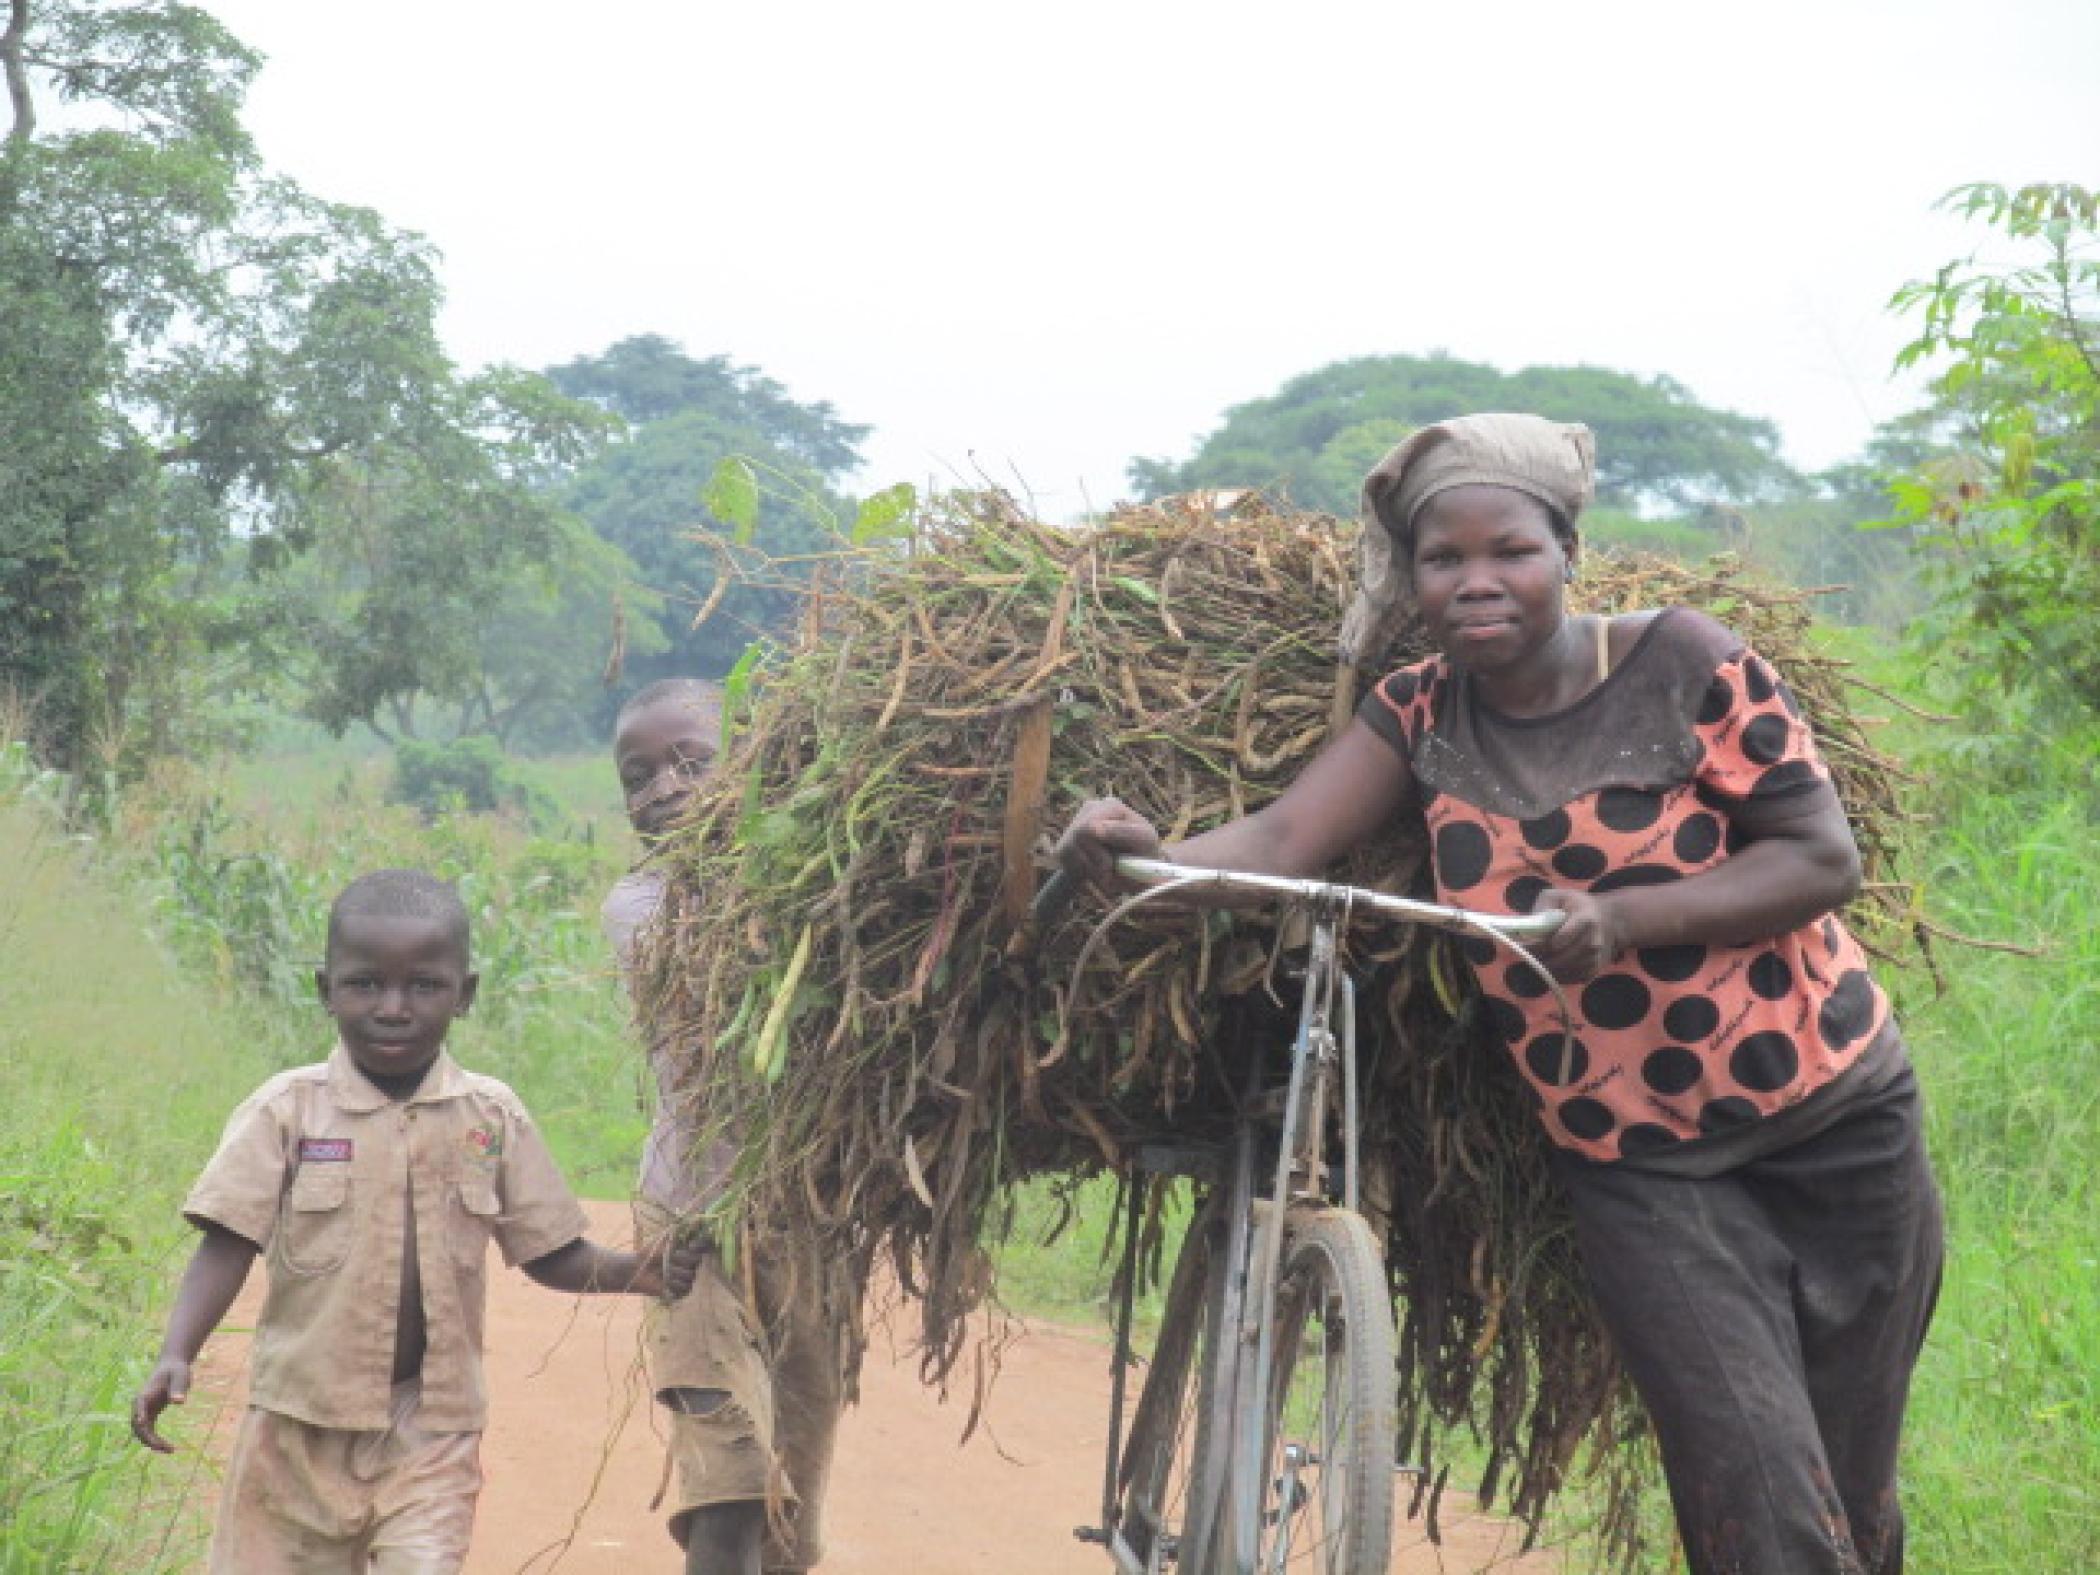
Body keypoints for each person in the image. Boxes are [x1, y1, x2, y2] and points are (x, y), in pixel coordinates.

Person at [1055, 413, 1943, 1575]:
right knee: (1754, 1497)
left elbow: (1820, 858)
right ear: (1413, 578)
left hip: (1843, 1123)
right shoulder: (1420, 715)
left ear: (1569, 549)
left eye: (1510, 551)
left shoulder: (1685, 662)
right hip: (1644, 1169)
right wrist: (1143, 855)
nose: (1478, 581)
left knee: (1857, 1497)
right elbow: (1283, 835)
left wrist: (1619, 919)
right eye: (1444, 559)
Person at [130, 869, 704, 1573]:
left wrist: (632, 1271)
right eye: (366, 983)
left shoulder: (490, 1117)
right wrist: (176, 1351)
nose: (393, 1007)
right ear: (326, 989)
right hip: (295, 1429)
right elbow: (227, 1240)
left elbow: (547, 1249)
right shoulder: (287, 1111)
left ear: (464, 994)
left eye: (424, 985)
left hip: (431, 1431)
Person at [605, 678, 848, 1575]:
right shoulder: (639, 909)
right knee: (729, 1490)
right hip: (692, 1234)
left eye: (692, 763)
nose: (664, 788)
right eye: (638, 776)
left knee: (794, 1518)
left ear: (756, 763)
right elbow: (728, 989)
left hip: (812, 1230)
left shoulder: (820, 882)